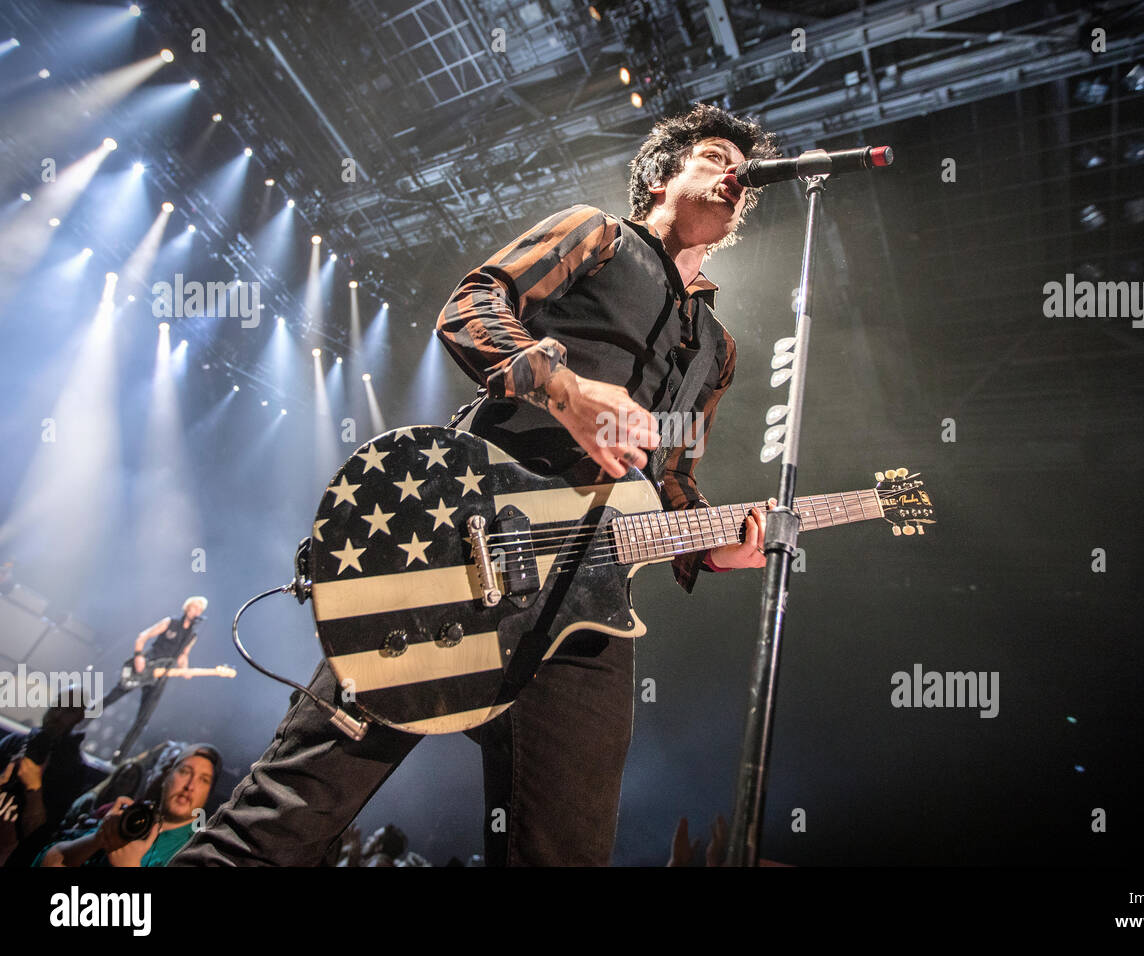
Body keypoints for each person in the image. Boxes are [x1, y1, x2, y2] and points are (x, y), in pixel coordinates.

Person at [171, 103, 780, 867]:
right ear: (663, 173)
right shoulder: (595, 233)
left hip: (585, 612)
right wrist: (567, 390)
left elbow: (674, 478)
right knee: (286, 816)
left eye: (741, 171)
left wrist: (716, 546)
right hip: (461, 540)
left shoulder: (718, 351)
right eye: (716, 156)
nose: (734, 175)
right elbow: (471, 306)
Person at [35, 743, 220, 867]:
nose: (190, 786)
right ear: (166, 777)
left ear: (209, 793)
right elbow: (49, 860)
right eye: (185, 772)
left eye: (203, 780)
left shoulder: (200, 851)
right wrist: (97, 839)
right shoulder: (131, 819)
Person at [98, 595, 207, 762]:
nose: (196, 611)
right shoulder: (170, 622)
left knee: (143, 719)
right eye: (195, 607)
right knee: (110, 698)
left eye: (200, 609)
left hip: (161, 676)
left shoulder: (192, 635)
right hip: (147, 665)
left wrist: (186, 670)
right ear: (187, 608)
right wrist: (138, 656)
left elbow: (183, 656)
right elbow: (143, 636)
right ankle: (79, 723)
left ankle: (119, 758)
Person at [0, 698, 88, 867]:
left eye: (69, 711)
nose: (58, 715)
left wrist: (34, 788)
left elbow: (39, 836)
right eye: (58, 706)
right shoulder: (16, 741)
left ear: (79, 718)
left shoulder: (73, 770)